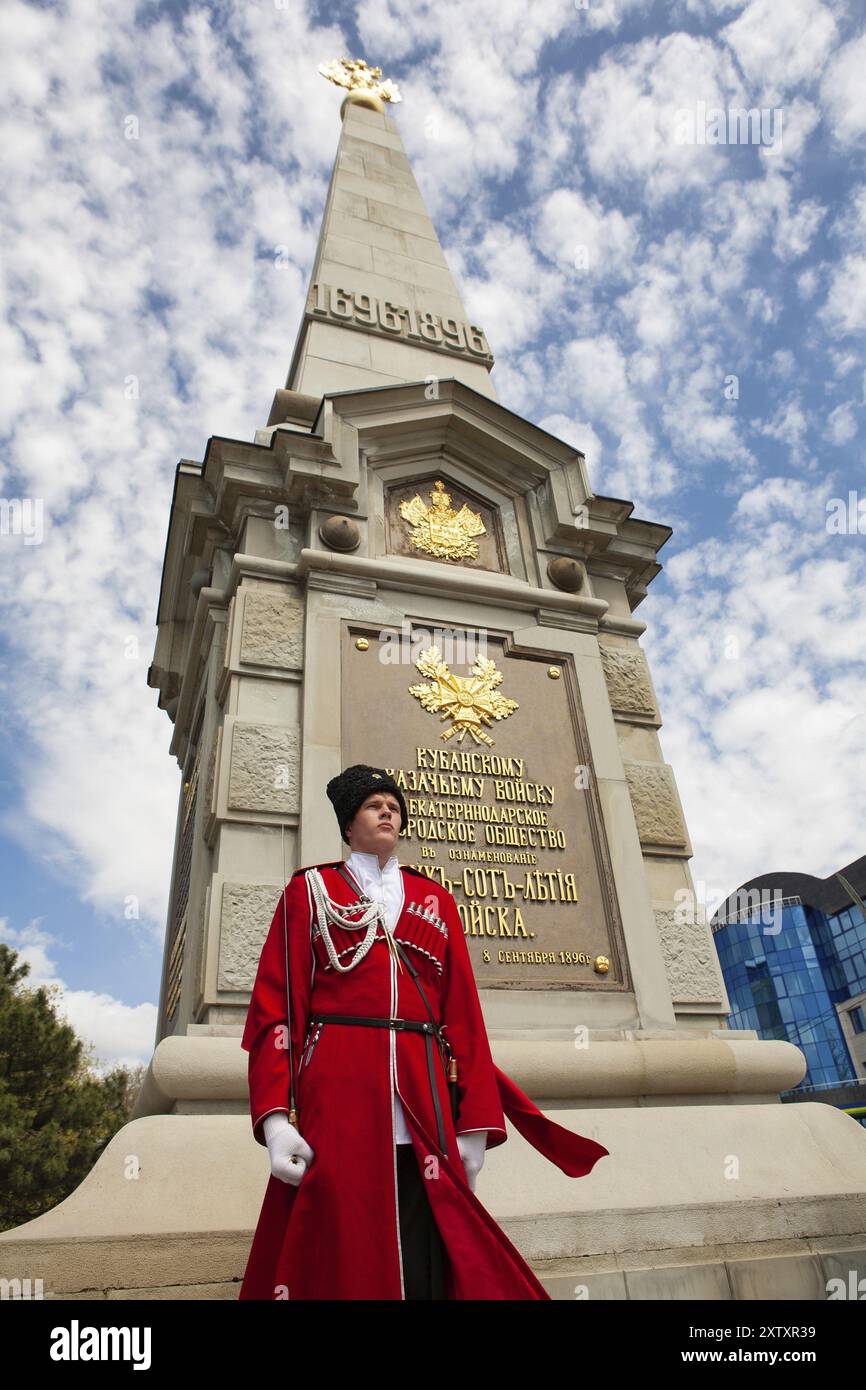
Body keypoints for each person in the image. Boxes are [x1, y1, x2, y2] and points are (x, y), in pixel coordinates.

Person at [238, 764, 609, 1300]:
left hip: (423, 1083)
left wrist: (475, 1125)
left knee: (433, 1234)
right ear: (348, 824)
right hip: (337, 1085)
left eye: (393, 804)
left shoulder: (435, 900)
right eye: (372, 805)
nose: (387, 810)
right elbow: (276, 1012)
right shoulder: (309, 891)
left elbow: (464, 1020)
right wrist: (275, 1118)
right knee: (339, 1232)